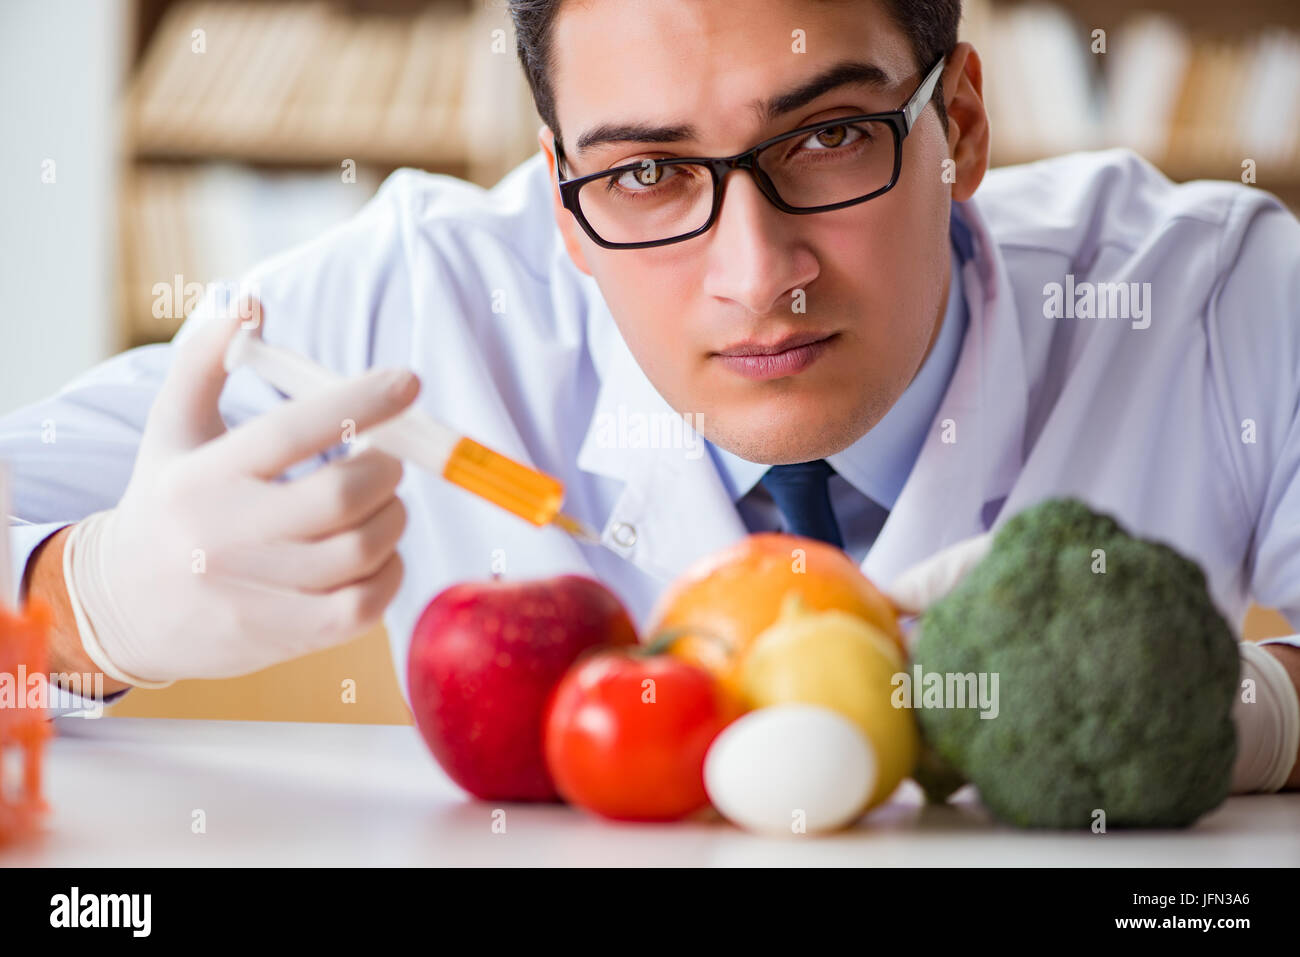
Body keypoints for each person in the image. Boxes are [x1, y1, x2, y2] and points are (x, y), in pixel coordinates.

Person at [3, 0, 1297, 792]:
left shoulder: (1211, 295)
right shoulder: (413, 304)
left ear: (957, 119)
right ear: (559, 192)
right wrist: (82, 609)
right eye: (642, 176)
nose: (756, 275)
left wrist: (1247, 714)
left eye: (828, 135)